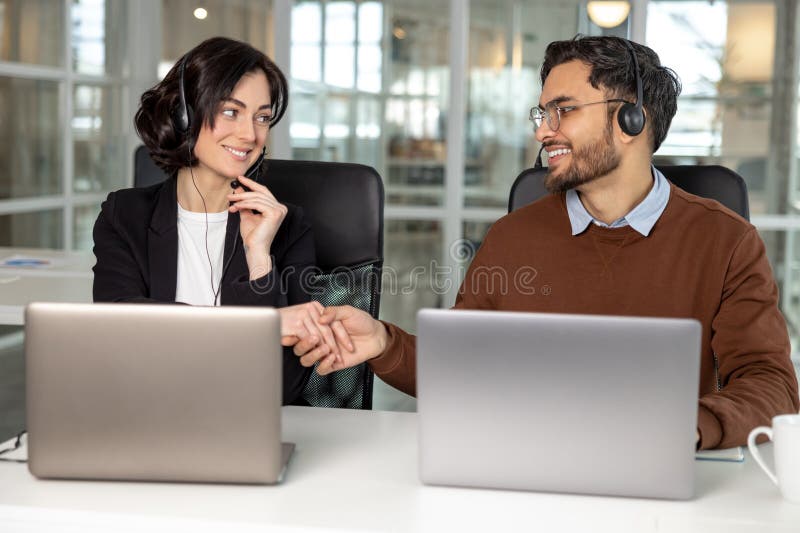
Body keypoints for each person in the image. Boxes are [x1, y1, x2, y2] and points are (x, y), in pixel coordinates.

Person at [290, 36, 800, 449]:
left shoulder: (726, 241)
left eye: (564, 110)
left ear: (632, 120)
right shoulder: (513, 236)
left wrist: (689, 427)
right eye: (542, 115)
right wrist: (384, 342)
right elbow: (462, 364)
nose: (543, 133)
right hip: (525, 463)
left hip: (660, 467)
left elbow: (771, 384)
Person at [93, 37, 343, 405]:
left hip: (246, 420)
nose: (250, 134)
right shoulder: (125, 215)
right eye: (231, 111)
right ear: (184, 115)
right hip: (150, 411)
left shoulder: (286, 226)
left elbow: (282, 387)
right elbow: (120, 330)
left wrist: (259, 258)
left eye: (262, 117)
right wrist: (264, 326)